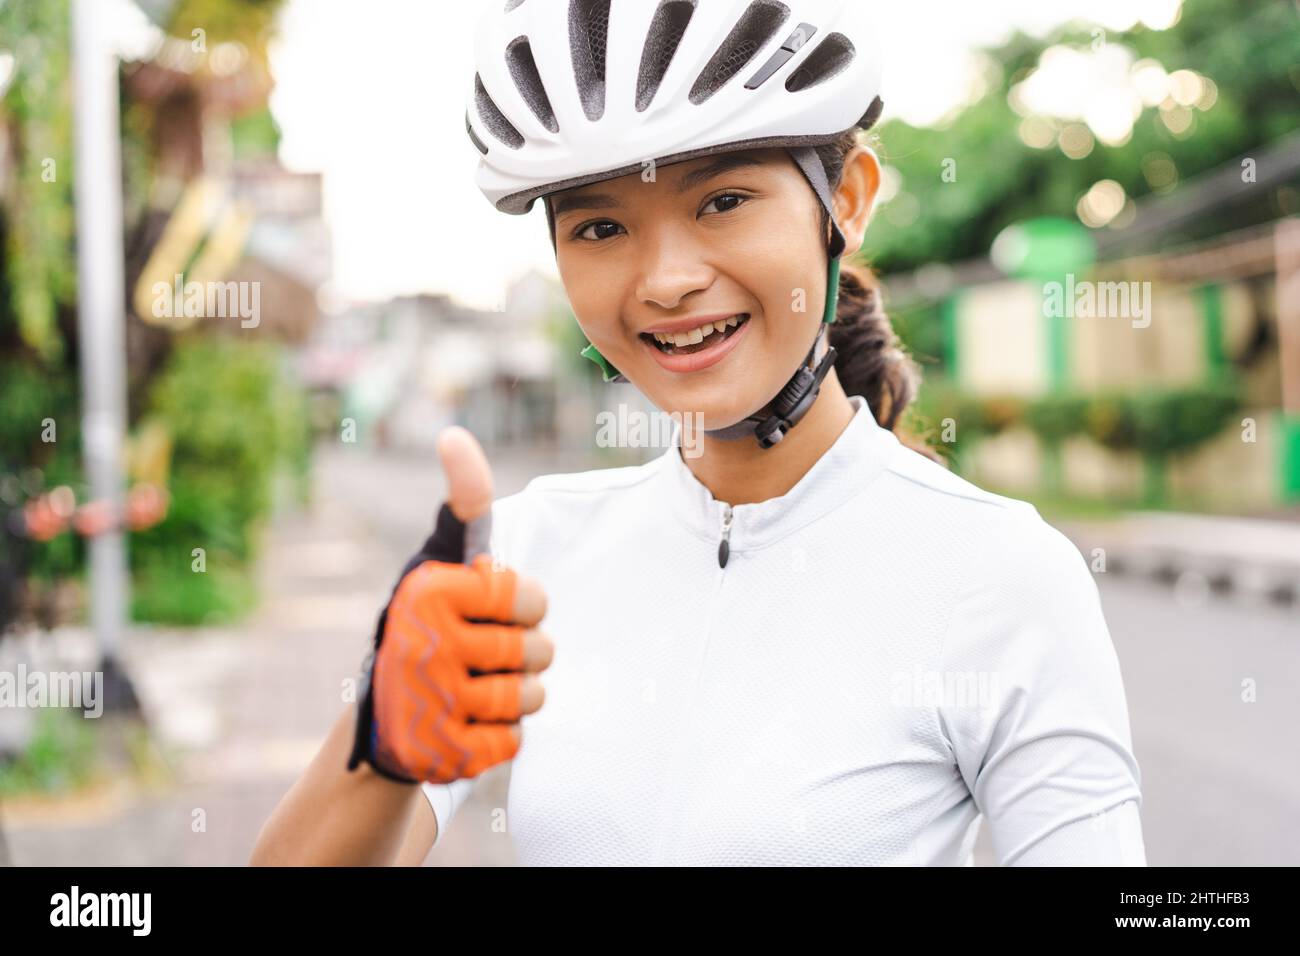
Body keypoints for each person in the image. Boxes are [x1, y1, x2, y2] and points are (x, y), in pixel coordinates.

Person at [252, 0, 1145, 866]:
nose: (667, 280)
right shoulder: (518, 557)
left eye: (722, 201)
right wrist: (382, 743)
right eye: (601, 226)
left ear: (848, 199)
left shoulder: (1001, 574)